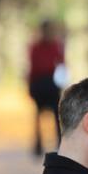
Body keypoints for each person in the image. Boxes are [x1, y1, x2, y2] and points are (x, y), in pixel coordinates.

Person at [28, 20, 65, 156]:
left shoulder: (55, 46)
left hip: (50, 84)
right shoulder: (37, 47)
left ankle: (59, 142)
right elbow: (33, 68)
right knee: (40, 116)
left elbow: (61, 64)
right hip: (41, 84)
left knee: (56, 115)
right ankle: (39, 144)